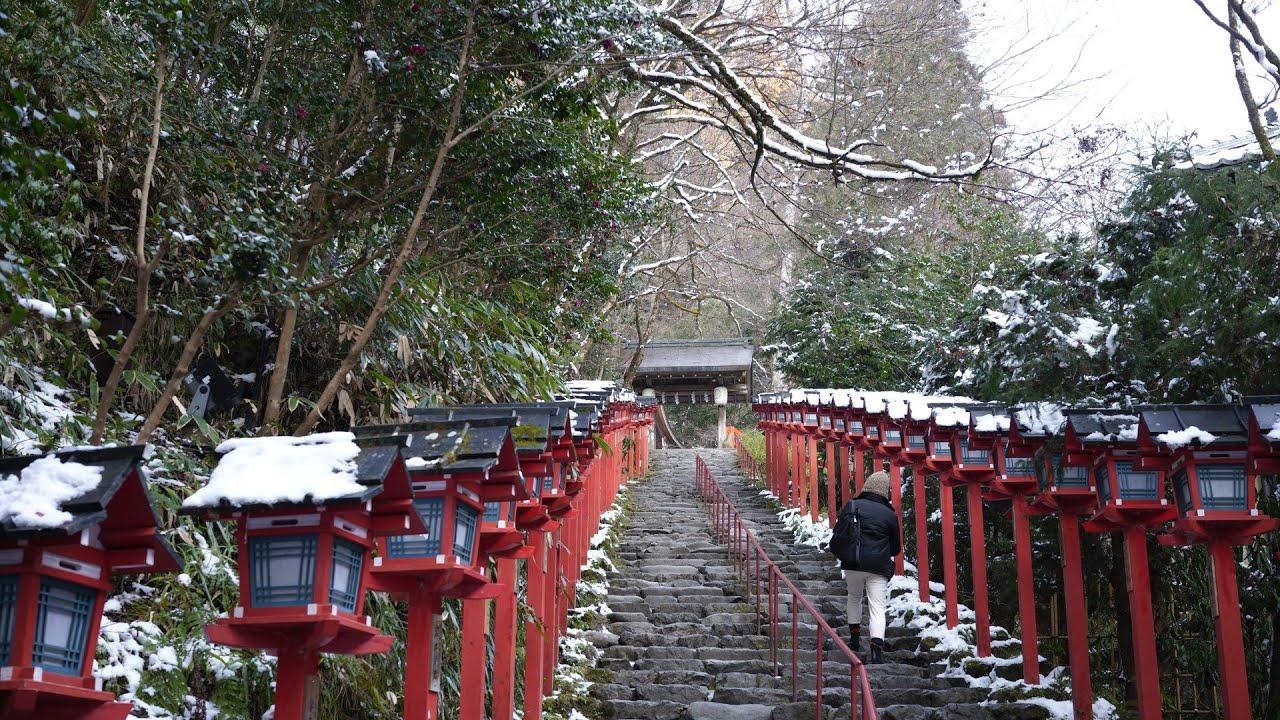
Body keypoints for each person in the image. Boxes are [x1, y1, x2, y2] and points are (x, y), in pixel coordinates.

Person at [837, 469, 901, 663]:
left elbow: (839, 531)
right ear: (885, 492)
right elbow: (895, 548)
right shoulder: (890, 515)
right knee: (877, 607)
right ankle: (876, 650)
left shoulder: (853, 505)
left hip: (853, 562)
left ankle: (855, 638)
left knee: (854, 597)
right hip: (879, 567)